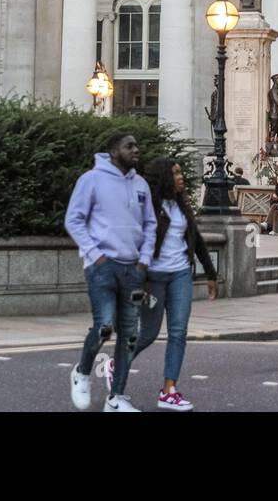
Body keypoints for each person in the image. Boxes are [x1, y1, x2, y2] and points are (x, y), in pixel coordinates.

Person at [109, 158, 219, 412]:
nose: (181, 177)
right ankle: (117, 364)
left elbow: (196, 239)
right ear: (164, 179)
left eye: (180, 172)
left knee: (178, 332)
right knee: (148, 333)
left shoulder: (181, 204)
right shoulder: (147, 207)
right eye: (175, 173)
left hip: (180, 274)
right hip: (153, 279)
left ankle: (169, 390)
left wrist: (210, 274)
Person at [64, 132, 156, 412]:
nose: (136, 150)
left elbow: (150, 224)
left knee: (130, 335)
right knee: (104, 327)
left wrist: (144, 260)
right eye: (130, 146)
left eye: (136, 145)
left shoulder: (140, 184)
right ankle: (81, 372)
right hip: (102, 268)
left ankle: (115, 398)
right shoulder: (91, 180)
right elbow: (74, 219)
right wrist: (96, 256)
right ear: (114, 151)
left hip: (133, 270)